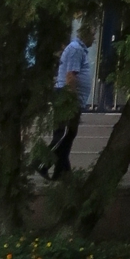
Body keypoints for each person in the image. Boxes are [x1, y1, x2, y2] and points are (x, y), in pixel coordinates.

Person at [38, 21, 95, 179]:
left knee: (69, 135)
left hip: (69, 98)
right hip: (67, 98)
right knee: (63, 134)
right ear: (86, 35)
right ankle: (41, 162)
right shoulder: (76, 49)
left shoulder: (79, 50)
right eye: (93, 35)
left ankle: (62, 171)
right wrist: (71, 98)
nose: (94, 39)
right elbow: (70, 76)